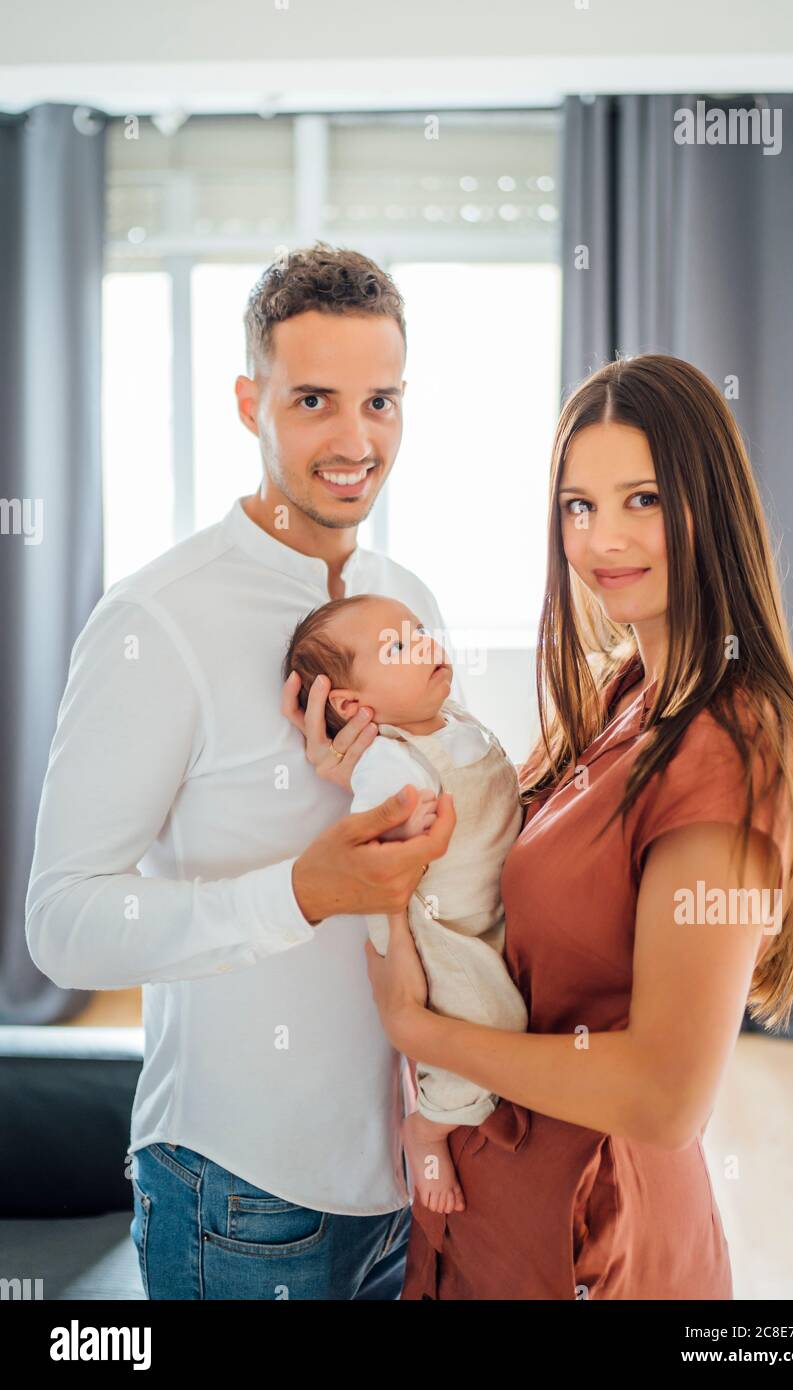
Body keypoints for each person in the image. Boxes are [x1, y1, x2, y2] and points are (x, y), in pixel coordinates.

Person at [25, 243, 461, 1300]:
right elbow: (64, 922)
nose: (355, 440)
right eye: (313, 399)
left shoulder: (407, 600)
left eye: (381, 400)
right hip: (239, 1194)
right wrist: (300, 891)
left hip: (404, 1175)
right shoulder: (156, 621)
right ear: (246, 400)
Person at [353, 353, 793, 1299]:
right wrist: (379, 758)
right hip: (505, 1205)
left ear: (710, 505)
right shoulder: (627, 691)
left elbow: (665, 1098)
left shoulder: (727, 751)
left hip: (595, 1234)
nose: (603, 537)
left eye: (642, 499)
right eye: (578, 506)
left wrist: (420, 1031)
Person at [283, 591, 528, 1214]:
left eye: (419, 632)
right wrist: (401, 819)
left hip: (486, 911)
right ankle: (432, 1125)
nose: (424, 645)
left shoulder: (456, 723)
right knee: (485, 1022)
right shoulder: (389, 761)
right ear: (352, 705)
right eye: (399, 647)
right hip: (440, 928)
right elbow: (374, 835)